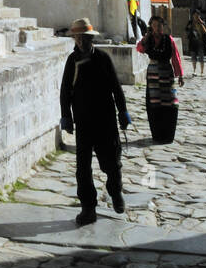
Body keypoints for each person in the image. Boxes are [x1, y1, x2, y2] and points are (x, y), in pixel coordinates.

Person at [60, 17, 131, 227]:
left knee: (111, 163)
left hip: (106, 120)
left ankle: (115, 192)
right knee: (83, 167)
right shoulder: (72, 62)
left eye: (85, 38)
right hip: (83, 121)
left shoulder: (102, 58)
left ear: (91, 39)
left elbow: (115, 87)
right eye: (78, 38)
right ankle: (88, 208)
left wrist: (123, 111)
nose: (81, 42)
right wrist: (66, 116)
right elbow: (65, 91)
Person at [136, 16, 184, 142]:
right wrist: (146, 37)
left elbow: (175, 57)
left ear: (163, 26)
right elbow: (139, 48)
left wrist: (180, 75)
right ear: (151, 26)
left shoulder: (169, 40)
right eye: (155, 25)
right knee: (155, 103)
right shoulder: (149, 40)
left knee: (170, 103)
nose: (157, 27)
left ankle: (168, 134)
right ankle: (157, 134)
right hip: (153, 74)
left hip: (166, 74)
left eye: (160, 25)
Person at [185, 8, 206, 76]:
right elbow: (186, 29)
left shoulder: (202, 22)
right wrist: (190, 27)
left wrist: (201, 23)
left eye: (197, 15)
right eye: (194, 15)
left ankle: (202, 71)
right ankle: (194, 71)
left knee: (201, 57)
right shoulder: (190, 22)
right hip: (193, 42)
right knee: (193, 57)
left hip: (200, 42)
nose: (196, 16)